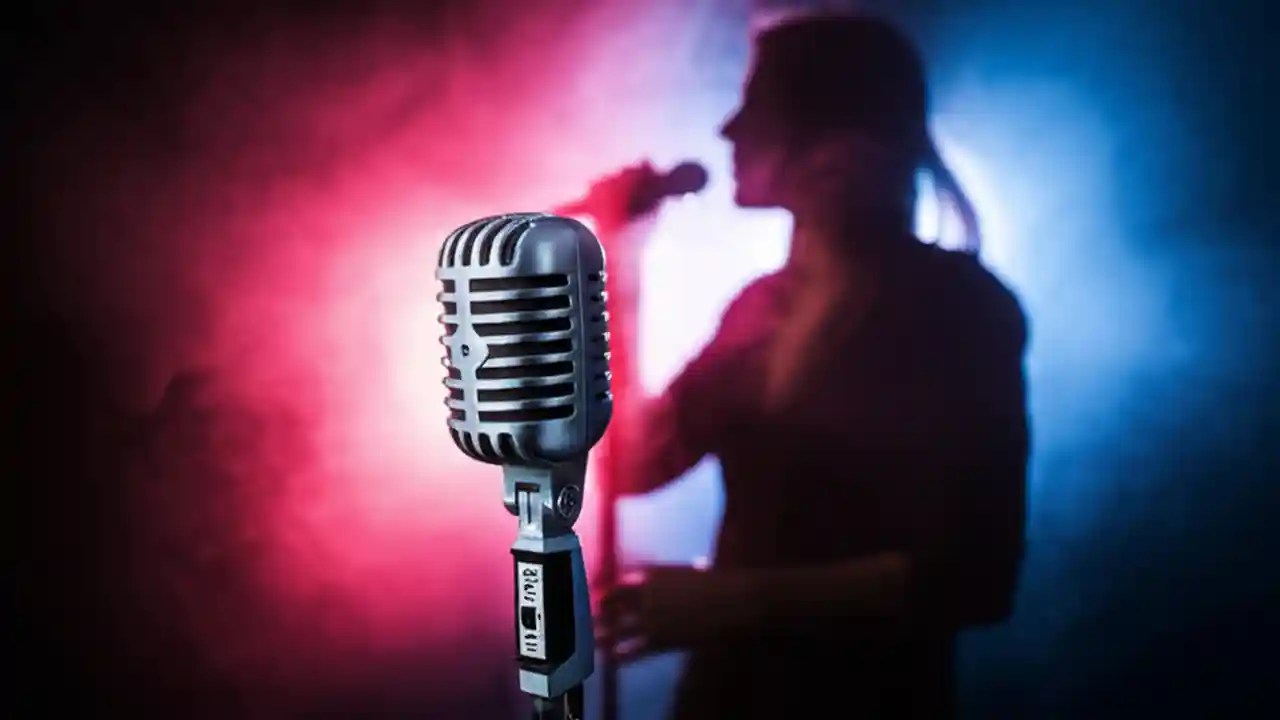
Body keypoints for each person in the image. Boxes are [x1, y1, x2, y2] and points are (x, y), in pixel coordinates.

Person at [593, 13, 1030, 719]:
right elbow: (638, 463)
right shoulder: (763, 306)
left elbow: (976, 577)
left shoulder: (958, 309)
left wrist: (730, 601)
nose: (730, 130)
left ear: (834, 139)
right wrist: (623, 267)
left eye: (756, 105)